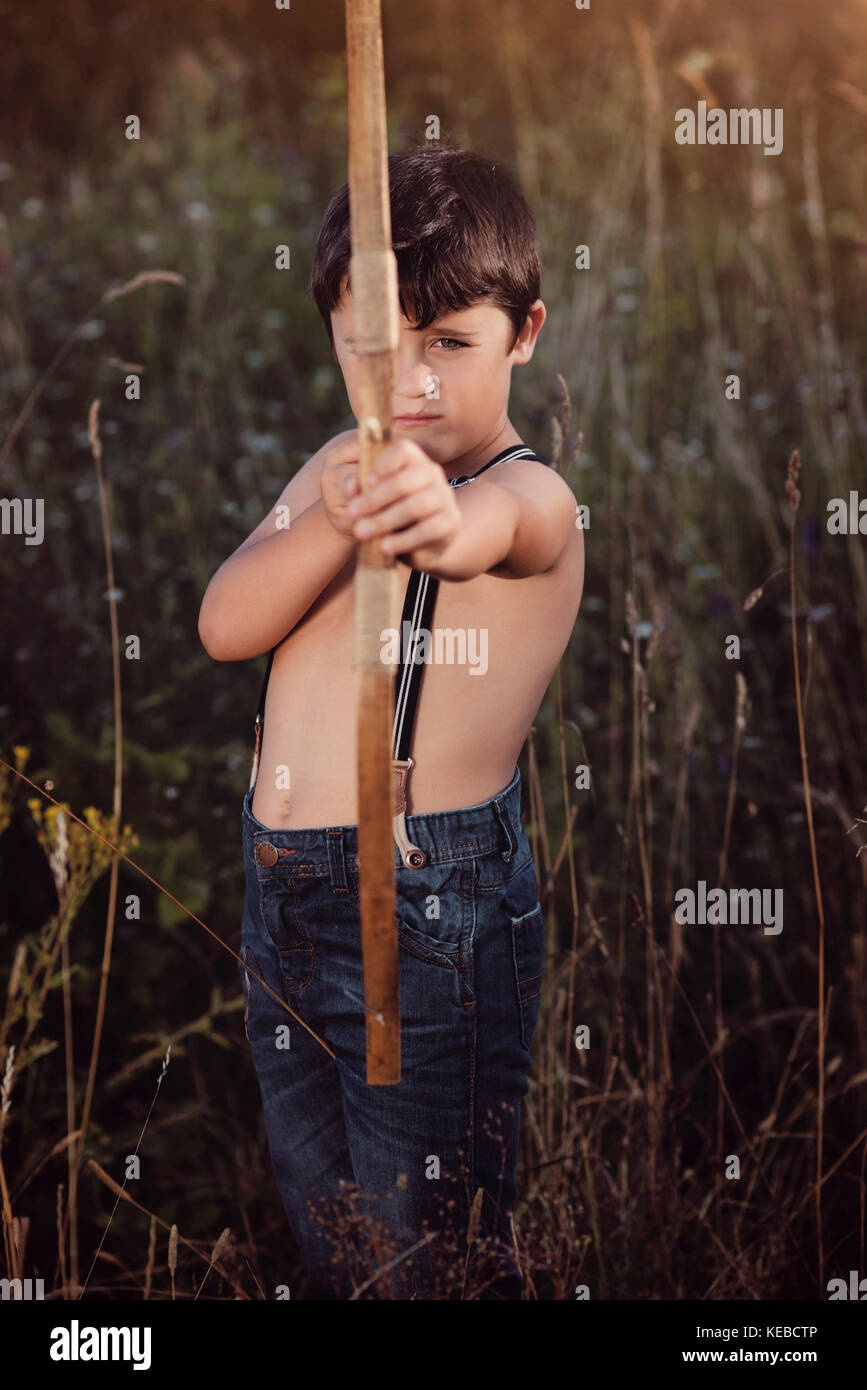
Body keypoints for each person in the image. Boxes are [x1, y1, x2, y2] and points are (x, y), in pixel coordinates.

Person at [198, 143, 584, 1299]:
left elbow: (489, 535)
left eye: (449, 344)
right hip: (287, 899)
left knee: (431, 1248)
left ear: (524, 333)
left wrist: (425, 510)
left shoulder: (529, 495)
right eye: (375, 345)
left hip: (429, 913)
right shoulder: (336, 470)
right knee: (334, 1234)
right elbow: (227, 622)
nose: (410, 385)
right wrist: (335, 514)